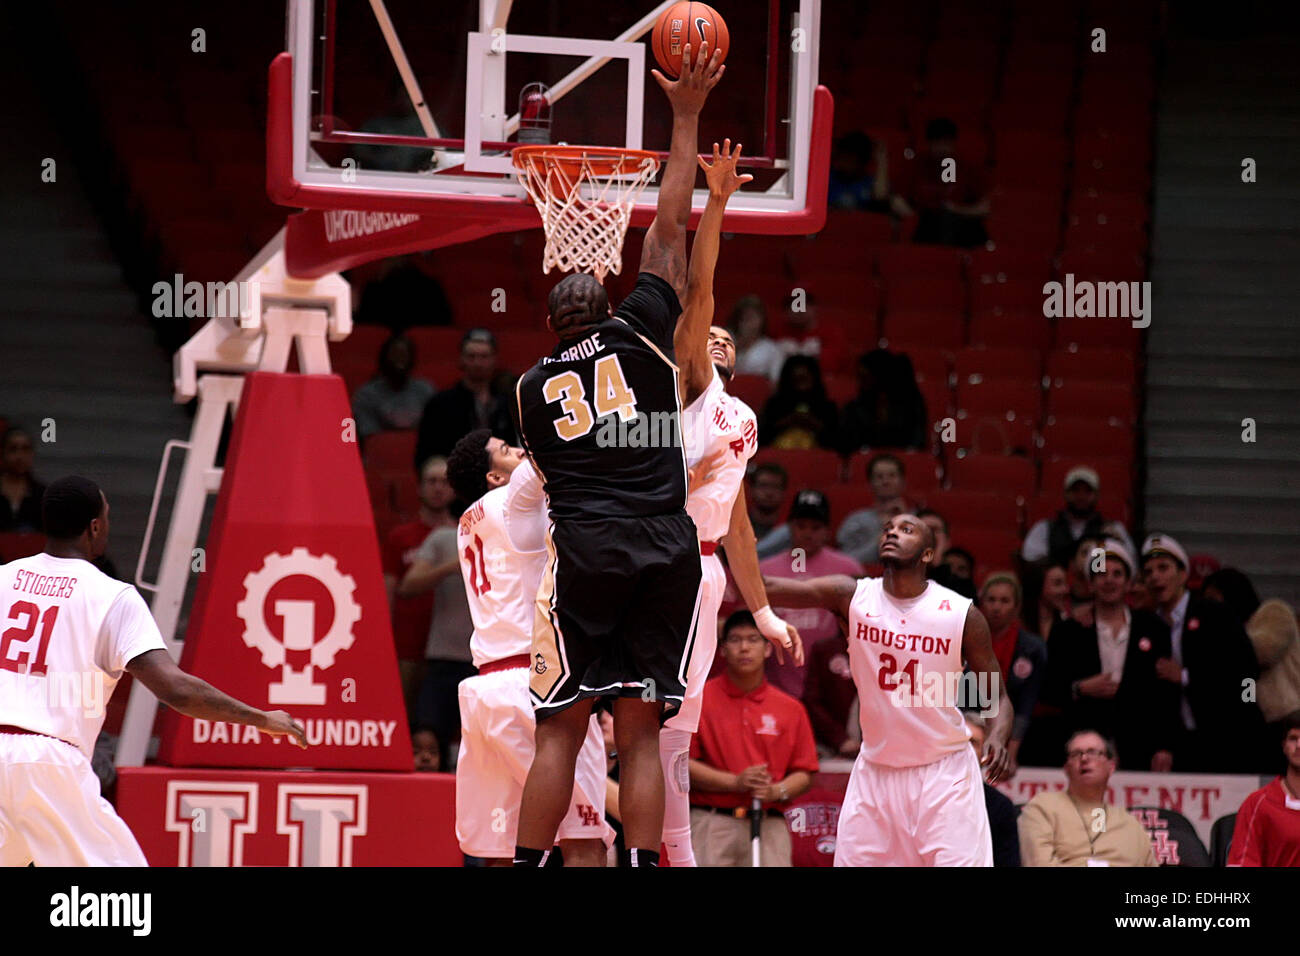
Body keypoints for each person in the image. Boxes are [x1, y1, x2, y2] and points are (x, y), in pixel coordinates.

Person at [511, 41, 724, 868]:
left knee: (559, 728)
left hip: (590, 549)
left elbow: (548, 474)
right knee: (640, 732)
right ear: (604, 294)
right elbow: (667, 226)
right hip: (665, 546)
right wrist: (686, 115)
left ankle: (527, 867)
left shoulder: (528, 390)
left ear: (552, 318)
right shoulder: (641, 329)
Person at [0, 476, 306, 866]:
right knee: (123, 909)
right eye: (107, 516)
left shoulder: (3, 579)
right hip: (48, 762)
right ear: (95, 526)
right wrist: (260, 717)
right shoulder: (112, 596)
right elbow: (175, 689)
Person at [661, 140, 801, 867]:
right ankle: (652, 844)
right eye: (700, 332)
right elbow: (702, 287)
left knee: (677, 723)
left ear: (735, 358)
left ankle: (668, 845)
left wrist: (767, 610)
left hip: (708, 571)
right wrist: (716, 203)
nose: (711, 334)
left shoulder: (741, 419)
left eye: (722, 338)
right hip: (660, 557)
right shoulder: (684, 387)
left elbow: (742, 527)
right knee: (641, 712)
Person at [763, 513, 1014, 866]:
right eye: (888, 529)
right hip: (877, 769)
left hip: (944, 772)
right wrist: (718, 550)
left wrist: (997, 736)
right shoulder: (851, 595)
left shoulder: (961, 615)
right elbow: (768, 588)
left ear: (927, 554)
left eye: (906, 530)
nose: (892, 533)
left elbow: (995, 698)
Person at [443, 429, 612, 866]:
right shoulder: (514, 499)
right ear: (494, 477)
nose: (518, 449)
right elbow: (553, 446)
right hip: (537, 684)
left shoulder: (466, 522)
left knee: (504, 849)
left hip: (485, 692)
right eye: (504, 450)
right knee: (584, 839)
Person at [688, 611, 818, 867]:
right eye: (735, 640)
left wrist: (775, 790)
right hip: (712, 822)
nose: (744, 647)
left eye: (753, 639)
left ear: (768, 649)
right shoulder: (699, 700)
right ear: (722, 649)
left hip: (770, 823)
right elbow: (682, 764)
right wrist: (735, 782)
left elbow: (805, 771)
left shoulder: (790, 708)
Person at [1043, 540, 1179, 772]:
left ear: (1129, 582)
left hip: (1141, 746)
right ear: (1090, 584)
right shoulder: (1068, 630)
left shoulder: (1153, 628)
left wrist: (1164, 746)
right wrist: (1079, 688)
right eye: (1101, 574)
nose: (1109, 580)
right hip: (1081, 747)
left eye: (1117, 573)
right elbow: (1048, 688)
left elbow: (1165, 695)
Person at [1141, 533, 1268, 773]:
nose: (1155, 577)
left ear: (1183, 574)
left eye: (1163, 568)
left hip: (1229, 739)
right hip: (1181, 747)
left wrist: (1187, 676)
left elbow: (1246, 670)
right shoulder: (1148, 626)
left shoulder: (1215, 614)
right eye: (1148, 572)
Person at [759, 490, 864, 698]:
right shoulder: (765, 570)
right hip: (778, 683)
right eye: (801, 526)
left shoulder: (848, 569)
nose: (808, 533)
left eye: (816, 527)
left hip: (832, 684)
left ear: (827, 530)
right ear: (789, 527)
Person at [1018, 730, 1158, 867]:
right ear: (1066, 768)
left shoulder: (1131, 824)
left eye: (1093, 752)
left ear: (1111, 766)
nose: (1084, 758)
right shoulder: (1043, 807)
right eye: (1076, 754)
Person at [382, 456, 455, 717]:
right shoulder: (400, 537)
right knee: (401, 715)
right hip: (408, 644)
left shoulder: (466, 533)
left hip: (450, 649)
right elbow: (389, 591)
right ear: (419, 487)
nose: (438, 488)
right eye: (432, 481)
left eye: (445, 482)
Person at [401, 517, 474, 770]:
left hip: (489, 662)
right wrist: (452, 567)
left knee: (486, 743)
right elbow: (408, 585)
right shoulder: (445, 538)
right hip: (444, 657)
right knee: (426, 737)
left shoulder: (509, 536)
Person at [412, 328, 516, 467]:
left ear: (494, 360)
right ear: (461, 359)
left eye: (484, 356)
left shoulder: (505, 404)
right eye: (471, 356)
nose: (478, 363)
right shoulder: (440, 404)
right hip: (453, 478)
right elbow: (426, 455)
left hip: (499, 477)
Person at [977, 572, 1047, 777]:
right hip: (972, 727)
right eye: (991, 600)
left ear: (1016, 607)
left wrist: (1010, 754)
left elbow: (1026, 704)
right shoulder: (966, 642)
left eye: (1004, 601)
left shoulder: (1032, 648)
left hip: (1016, 736)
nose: (997, 607)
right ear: (981, 603)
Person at [891, 117, 990, 248]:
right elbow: (896, 200)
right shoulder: (916, 165)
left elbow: (984, 208)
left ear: (954, 143)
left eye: (946, 143)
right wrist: (913, 217)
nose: (942, 148)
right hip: (924, 224)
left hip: (958, 224)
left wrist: (958, 210)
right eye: (938, 143)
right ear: (929, 143)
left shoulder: (967, 167)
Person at [1021, 466, 1134, 567]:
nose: (1081, 496)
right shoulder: (1045, 529)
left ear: (1097, 495)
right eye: (1075, 490)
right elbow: (1031, 562)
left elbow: (1129, 563)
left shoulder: (1113, 529)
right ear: (1066, 494)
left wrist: (1114, 544)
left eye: (1087, 491)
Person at [1228, 714, 1300, 867]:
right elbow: (1241, 864)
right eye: (1293, 738)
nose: (1299, 745)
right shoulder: (1258, 803)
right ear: (1284, 746)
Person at [838, 350, 928, 454]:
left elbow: (917, 443)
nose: (862, 383)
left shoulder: (911, 405)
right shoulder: (854, 409)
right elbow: (848, 446)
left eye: (866, 377)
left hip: (903, 463)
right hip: (865, 464)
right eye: (860, 377)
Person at [351, 333, 436, 441]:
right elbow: (370, 437)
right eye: (395, 355)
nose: (400, 361)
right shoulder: (366, 395)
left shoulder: (425, 391)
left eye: (404, 355)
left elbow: (434, 431)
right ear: (384, 358)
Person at [836, 453, 916, 565]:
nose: (886, 481)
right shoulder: (855, 520)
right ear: (870, 484)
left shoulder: (918, 520)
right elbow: (844, 562)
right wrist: (880, 539)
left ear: (903, 482)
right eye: (879, 477)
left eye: (892, 476)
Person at [963, 711, 1020, 867]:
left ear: (986, 756)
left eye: (972, 742)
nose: (965, 749)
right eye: (960, 741)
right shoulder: (924, 794)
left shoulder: (1000, 807)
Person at [757, 355, 840, 449]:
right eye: (796, 379)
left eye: (804, 378)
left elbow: (837, 442)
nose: (801, 385)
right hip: (779, 456)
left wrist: (813, 424)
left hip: (817, 459)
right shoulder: (774, 405)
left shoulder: (827, 407)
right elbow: (761, 439)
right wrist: (786, 422)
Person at [801, 630, 860, 758]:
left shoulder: (886, 649)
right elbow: (811, 701)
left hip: (880, 748)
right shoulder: (825, 650)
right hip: (832, 749)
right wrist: (840, 738)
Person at [773, 294, 848, 375]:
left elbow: (835, 366)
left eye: (804, 305)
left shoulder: (832, 332)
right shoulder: (777, 331)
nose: (799, 310)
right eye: (794, 306)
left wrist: (817, 355)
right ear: (785, 311)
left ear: (814, 308)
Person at [917, 508, 976, 599]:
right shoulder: (897, 577)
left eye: (935, 530)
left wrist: (937, 563)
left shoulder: (962, 585)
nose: (930, 534)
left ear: (947, 541)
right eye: (924, 529)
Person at [827, 131, 892, 213]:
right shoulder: (829, 179)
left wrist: (882, 161)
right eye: (844, 156)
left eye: (852, 158)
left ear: (862, 161)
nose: (846, 162)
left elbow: (881, 196)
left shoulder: (868, 182)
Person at [728, 295, 784, 382]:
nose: (749, 321)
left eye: (753, 317)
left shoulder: (771, 348)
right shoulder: (724, 342)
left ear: (762, 320)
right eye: (745, 317)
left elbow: (776, 381)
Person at [0, 426, 44, 533]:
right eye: (13, 449)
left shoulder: (43, 495)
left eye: (25, 449)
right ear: (2, 452)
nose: (19, 456)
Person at [749, 462, 792, 559]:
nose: (769, 493)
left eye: (775, 487)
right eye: (763, 486)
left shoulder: (792, 531)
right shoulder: (735, 526)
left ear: (784, 492)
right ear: (752, 489)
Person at [1021, 561, 1072, 641]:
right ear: (1037, 586)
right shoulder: (1018, 627)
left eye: (1065, 583)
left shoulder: (1068, 623)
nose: (1066, 590)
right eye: (1057, 583)